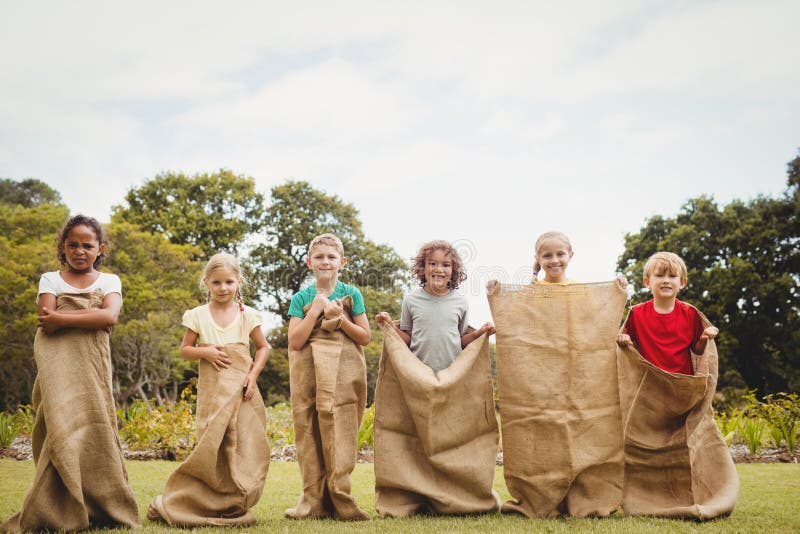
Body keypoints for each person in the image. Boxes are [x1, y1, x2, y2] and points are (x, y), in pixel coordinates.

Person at [1, 214, 140, 532]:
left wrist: (63, 318)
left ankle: (102, 506)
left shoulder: (109, 281)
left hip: (91, 368)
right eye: (73, 245)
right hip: (56, 366)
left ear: (100, 248)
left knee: (95, 427)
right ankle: (55, 508)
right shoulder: (50, 279)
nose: (80, 251)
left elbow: (110, 316)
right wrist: (91, 315)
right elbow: (45, 319)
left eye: (87, 245)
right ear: (63, 247)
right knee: (58, 427)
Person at [147, 252, 270, 527]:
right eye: (216, 282)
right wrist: (206, 352)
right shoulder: (198, 315)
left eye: (229, 282)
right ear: (206, 282)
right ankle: (205, 500)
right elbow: (185, 349)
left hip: (243, 390)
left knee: (243, 444)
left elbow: (263, 348)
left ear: (239, 281)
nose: (223, 288)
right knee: (212, 444)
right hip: (213, 392)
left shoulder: (248, 315)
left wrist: (252, 375)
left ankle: (232, 501)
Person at [285, 233, 371, 520]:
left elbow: (365, 337)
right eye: (319, 257)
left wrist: (340, 318)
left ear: (342, 262)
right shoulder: (301, 298)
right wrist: (316, 311)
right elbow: (295, 342)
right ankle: (313, 502)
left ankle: (341, 499)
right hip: (309, 376)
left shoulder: (352, 294)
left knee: (341, 433)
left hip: (344, 376)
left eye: (331, 257)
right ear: (309, 262)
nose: (325, 261)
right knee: (309, 432)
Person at [376, 240, 494, 372]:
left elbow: (460, 341)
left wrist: (480, 333)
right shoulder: (410, 300)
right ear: (423, 267)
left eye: (446, 265)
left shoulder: (461, 302)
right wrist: (389, 325)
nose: (439, 269)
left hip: (452, 375)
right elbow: (408, 340)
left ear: (453, 270)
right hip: (418, 374)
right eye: (432, 263)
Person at [616, 251, 718, 374]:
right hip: (648, 381)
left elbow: (697, 351)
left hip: (682, 382)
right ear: (647, 282)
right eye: (659, 275)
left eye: (672, 276)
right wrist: (624, 339)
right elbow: (624, 346)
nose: (666, 280)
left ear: (682, 283)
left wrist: (704, 338)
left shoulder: (690, 313)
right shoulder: (636, 314)